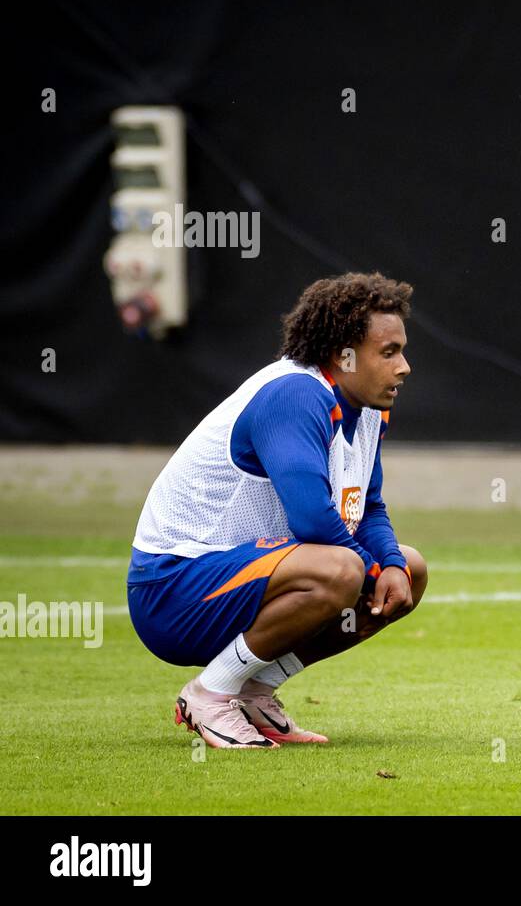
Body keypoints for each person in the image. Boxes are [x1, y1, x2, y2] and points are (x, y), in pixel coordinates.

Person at [127, 271, 426, 749]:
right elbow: (312, 521)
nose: (404, 366)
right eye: (388, 352)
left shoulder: (368, 408)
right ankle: (209, 694)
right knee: (341, 570)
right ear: (341, 355)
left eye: (402, 350)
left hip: (240, 579)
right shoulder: (295, 395)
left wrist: (389, 564)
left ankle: (254, 692)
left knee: (410, 568)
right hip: (170, 589)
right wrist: (372, 571)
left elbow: (365, 506)